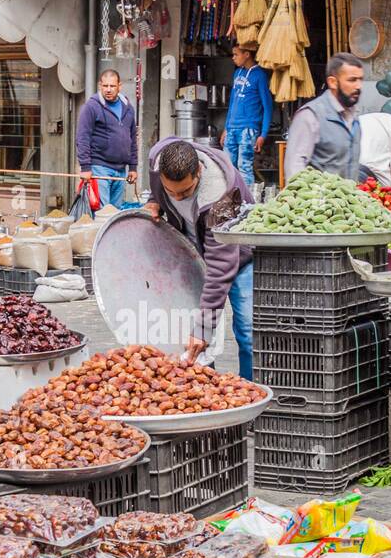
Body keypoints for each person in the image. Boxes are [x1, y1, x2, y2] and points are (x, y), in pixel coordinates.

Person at [144, 138, 254, 379]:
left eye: (185, 191)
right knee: (186, 324)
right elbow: (157, 189)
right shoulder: (156, 160)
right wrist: (155, 201)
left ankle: (250, 391)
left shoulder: (222, 195)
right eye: (171, 192)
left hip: (238, 255)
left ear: (199, 172)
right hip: (192, 254)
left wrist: (204, 329)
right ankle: (202, 386)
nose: (179, 198)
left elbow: (220, 268)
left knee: (248, 330)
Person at [284, 53, 364, 182]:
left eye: (361, 79)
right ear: (333, 82)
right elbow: (294, 169)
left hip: (347, 200)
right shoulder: (310, 115)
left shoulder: (354, 118)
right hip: (320, 200)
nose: (358, 86)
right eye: (352, 80)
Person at [77, 69, 138, 209]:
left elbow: (133, 139)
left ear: (119, 86)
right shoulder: (91, 107)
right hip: (100, 168)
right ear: (100, 86)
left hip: (120, 170)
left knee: (115, 214)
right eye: (105, 86)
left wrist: (133, 167)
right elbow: (82, 137)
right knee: (102, 214)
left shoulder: (128, 108)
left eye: (112, 86)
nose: (108, 90)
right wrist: (85, 167)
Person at [219, 44, 273, 186]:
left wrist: (263, 134)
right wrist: (226, 127)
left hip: (248, 129)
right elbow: (232, 103)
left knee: (244, 167)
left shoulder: (260, 75)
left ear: (247, 54)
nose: (233, 58)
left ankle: (246, 202)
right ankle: (229, 199)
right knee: (227, 167)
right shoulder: (237, 73)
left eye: (236, 54)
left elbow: (268, 107)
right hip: (232, 128)